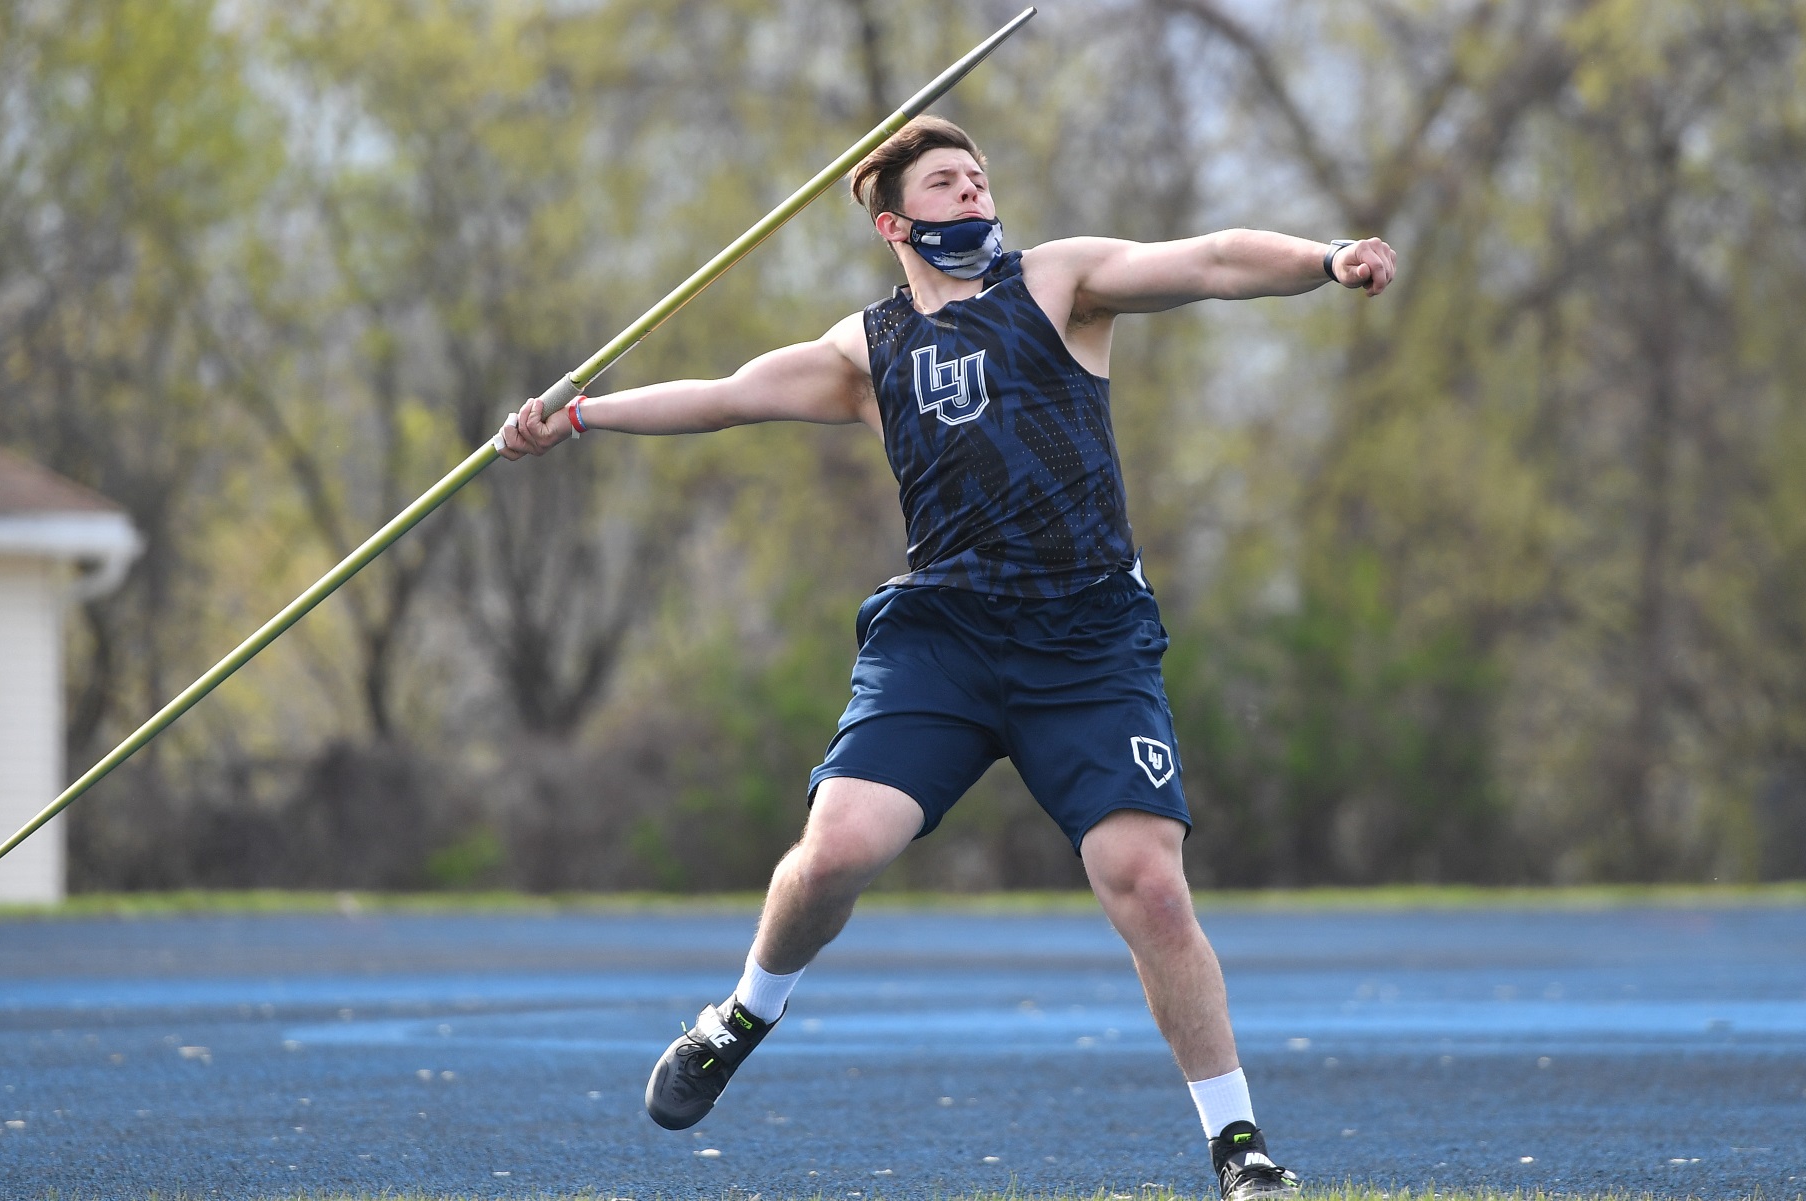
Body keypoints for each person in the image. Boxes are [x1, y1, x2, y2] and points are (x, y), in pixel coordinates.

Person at [497, 116, 1395, 1200]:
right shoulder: (865, 352)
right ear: (895, 221)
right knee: (836, 850)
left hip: (1088, 640)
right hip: (947, 643)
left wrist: (1324, 261)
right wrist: (580, 415)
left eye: (978, 177)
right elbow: (728, 396)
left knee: (1148, 885)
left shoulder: (1060, 284)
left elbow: (1207, 260)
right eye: (944, 182)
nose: (973, 192)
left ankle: (1240, 1149)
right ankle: (740, 1016)